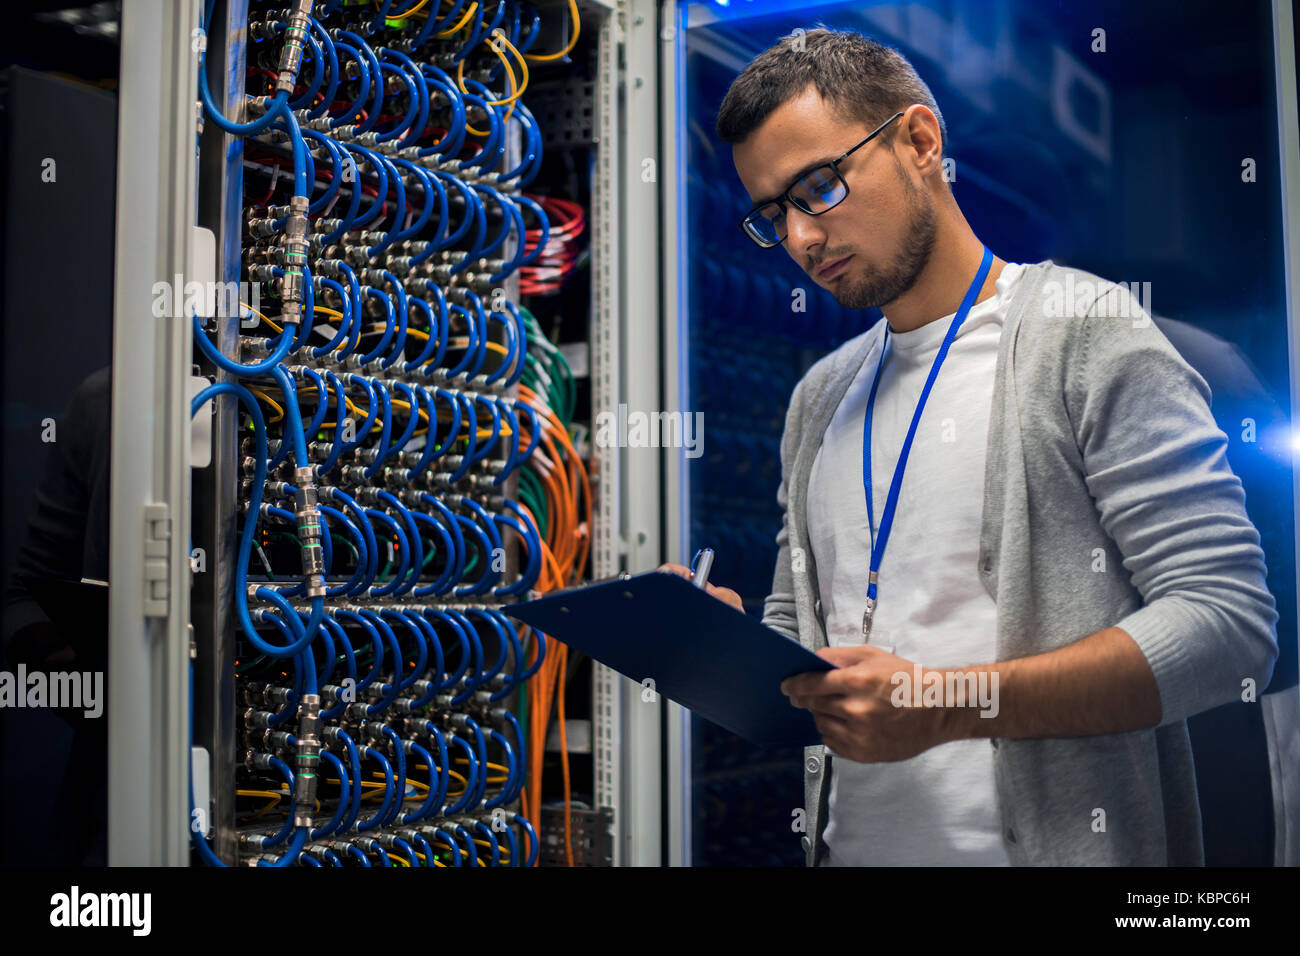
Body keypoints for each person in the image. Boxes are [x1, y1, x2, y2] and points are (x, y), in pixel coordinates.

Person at [660, 27, 1278, 866]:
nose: (801, 240)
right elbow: (806, 634)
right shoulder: (820, 398)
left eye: (819, 188)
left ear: (920, 141)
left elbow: (1227, 625)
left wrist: (947, 703)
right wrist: (720, 642)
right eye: (775, 214)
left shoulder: (1083, 336)